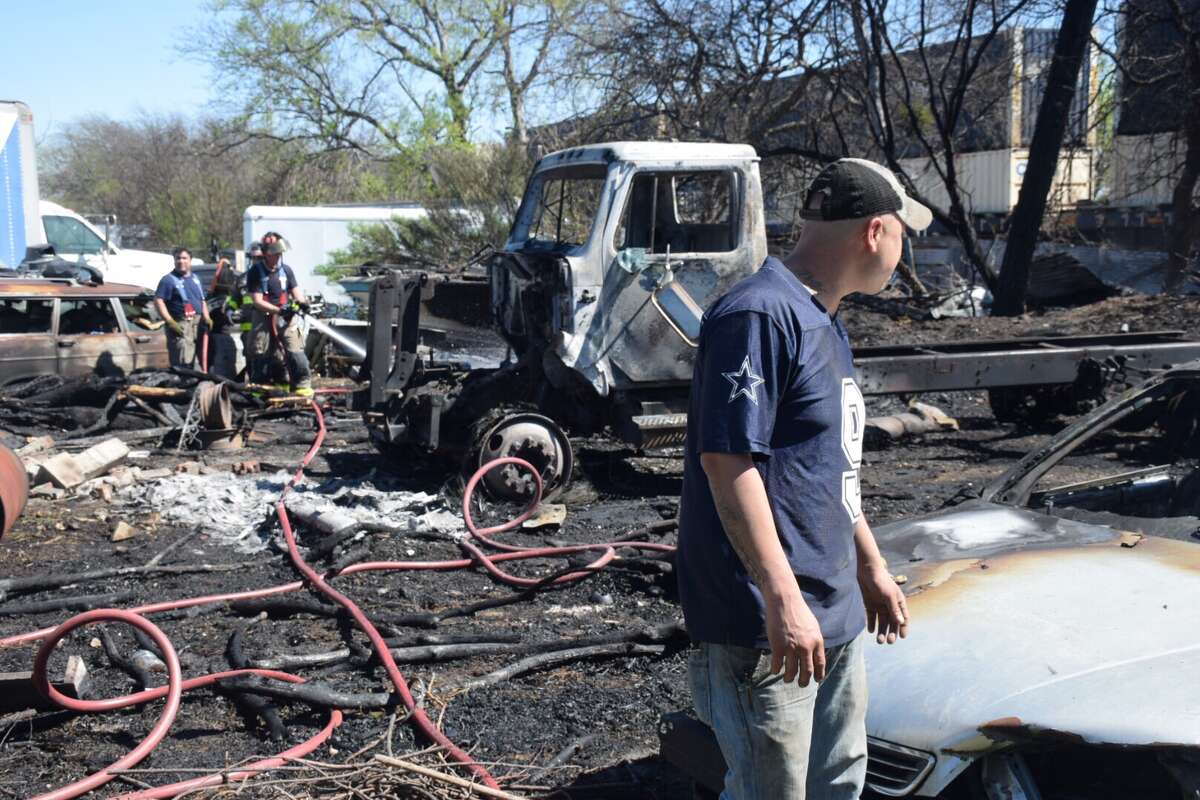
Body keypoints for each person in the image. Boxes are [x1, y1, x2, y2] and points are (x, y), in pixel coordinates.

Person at [676, 158, 929, 800]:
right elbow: (727, 462)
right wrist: (783, 598)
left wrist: (869, 565)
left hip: (833, 614)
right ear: (875, 231)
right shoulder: (758, 315)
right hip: (769, 629)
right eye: (903, 233)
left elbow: (828, 467)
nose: (903, 250)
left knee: (839, 783)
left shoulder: (824, 318)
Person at [246, 232, 312, 395]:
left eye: (280, 252)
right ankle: (259, 390)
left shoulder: (286, 270)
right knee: (261, 354)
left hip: (288, 319)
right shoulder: (255, 272)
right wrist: (278, 310)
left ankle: (302, 386)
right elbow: (257, 301)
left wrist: (303, 303)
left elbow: (296, 292)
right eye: (275, 252)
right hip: (264, 319)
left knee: (297, 351)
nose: (278, 255)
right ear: (266, 252)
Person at [153, 246, 212, 369]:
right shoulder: (168, 280)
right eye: (178, 258)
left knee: (201, 361)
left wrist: (207, 318)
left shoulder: (196, 279)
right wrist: (170, 321)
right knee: (183, 362)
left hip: (198, 324)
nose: (181, 261)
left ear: (190, 260)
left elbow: (202, 300)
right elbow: (158, 300)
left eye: (184, 258)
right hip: (181, 324)